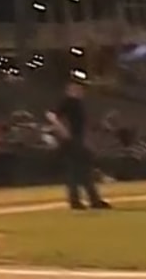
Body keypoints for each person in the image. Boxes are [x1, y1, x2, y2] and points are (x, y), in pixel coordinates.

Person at [46, 80, 111, 210]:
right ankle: (81, 200)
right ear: (71, 89)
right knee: (77, 171)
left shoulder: (76, 104)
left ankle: (89, 200)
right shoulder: (68, 102)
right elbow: (51, 116)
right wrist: (63, 131)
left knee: (81, 171)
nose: (82, 91)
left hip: (76, 139)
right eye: (78, 89)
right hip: (73, 141)